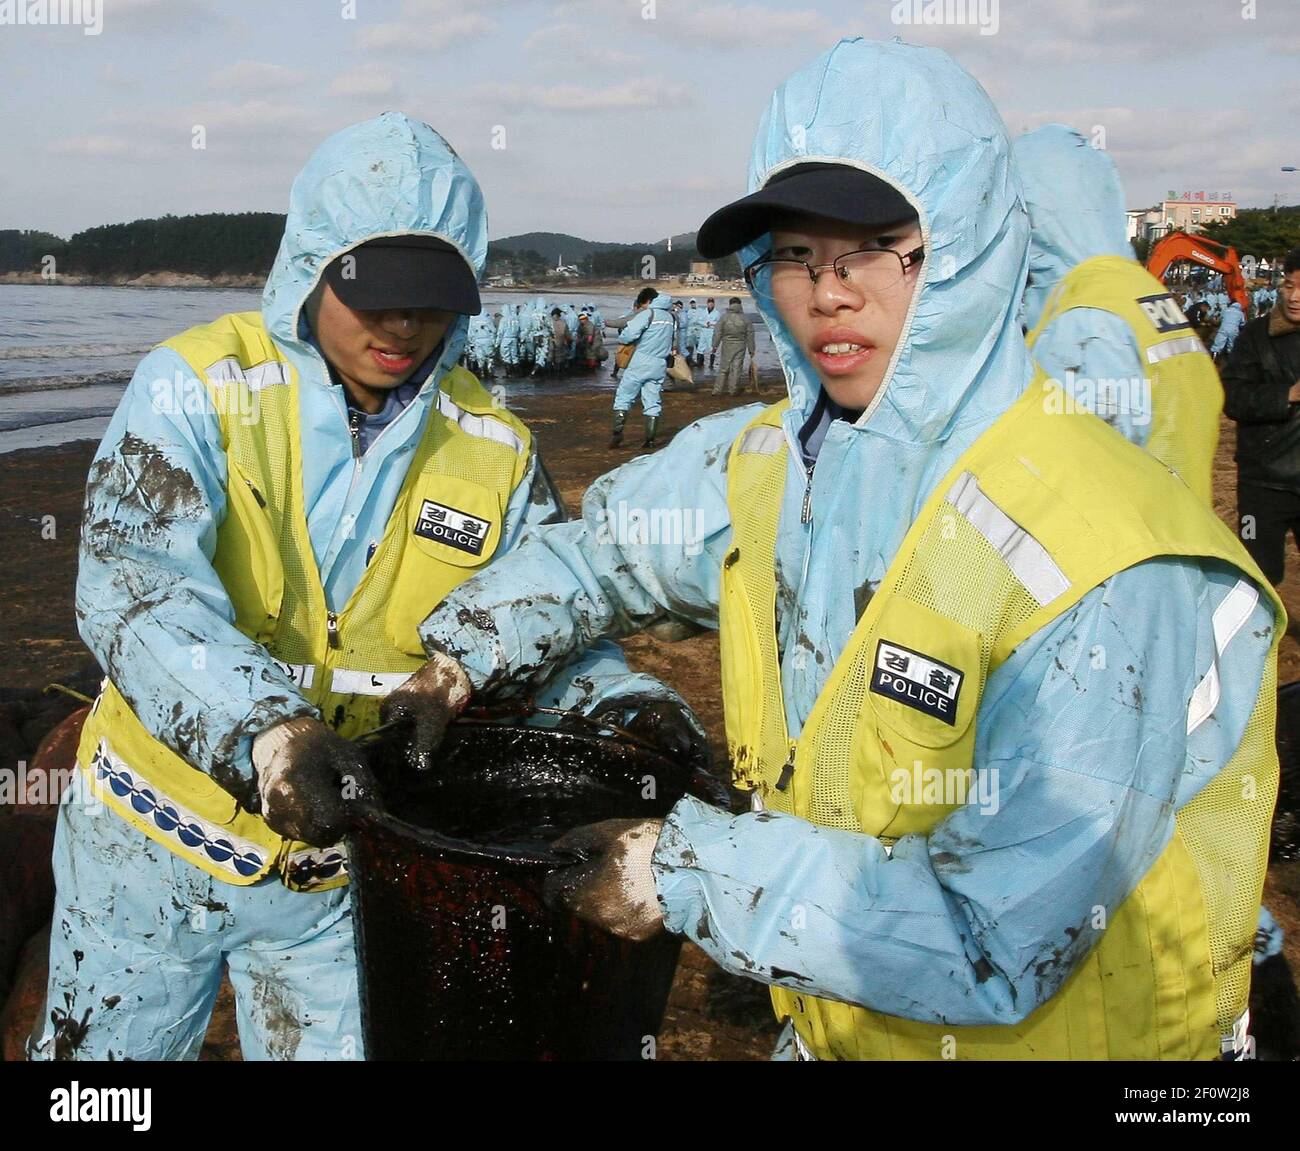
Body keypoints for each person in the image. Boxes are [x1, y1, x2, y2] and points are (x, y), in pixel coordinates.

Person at [409, 39, 1283, 1062]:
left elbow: (996, 934)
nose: (827, 292)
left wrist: (685, 872)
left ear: (967, 247)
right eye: (792, 253)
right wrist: (460, 652)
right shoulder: (775, 462)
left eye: (873, 247)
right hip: (841, 1023)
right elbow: (605, 551)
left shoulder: (1100, 558)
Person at [29, 112, 702, 1062]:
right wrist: (263, 728)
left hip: (340, 878)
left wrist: (627, 704)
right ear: (311, 265)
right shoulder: (196, 387)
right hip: (143, 847)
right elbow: (133, 588)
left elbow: (542, 628)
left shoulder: (494, 446)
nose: (402, 324)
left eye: (428, 300)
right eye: (375, 293)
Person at [1015, 125, 1222, 504]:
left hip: (1120, 549)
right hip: (1177, 529)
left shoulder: (1085, 325)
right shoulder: (1140, 292)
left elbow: (1069, 486)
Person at [1222, 248, 1300, 587]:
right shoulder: (1254, 337)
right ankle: (1259, 639)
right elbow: (1232, 397)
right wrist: (1287, 395)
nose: (1295, 297)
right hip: (1262, 483)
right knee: (1257, 576)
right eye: (1288, 285)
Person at [611, 286, 673, 449]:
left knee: (624, 396)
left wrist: (623, 339)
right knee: (652, 401)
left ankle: (617, 433)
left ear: (648, 301)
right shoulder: (670, 317)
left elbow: (629, 334)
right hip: (659, 364)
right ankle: (650, 440)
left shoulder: (648, 314)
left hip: (640, 362)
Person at [711, 297, 754, 396]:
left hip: (727, 345)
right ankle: (733, 390)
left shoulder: (724, 318)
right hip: (740, 345)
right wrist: (752, 350)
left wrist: (714, 345)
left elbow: (718, 332)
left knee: (723, 368)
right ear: (740, 304)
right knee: (736, 368)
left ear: (730, 304)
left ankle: (717, 390)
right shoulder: (745, 319)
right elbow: (750, 335)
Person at [700, 297, 721, 371]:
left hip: (712, 332)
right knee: (700, 348)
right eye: (709, 302)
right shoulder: (703, 311)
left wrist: (711, 324)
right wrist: (705, 324)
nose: (710, 304)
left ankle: (711, 365)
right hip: (703, 331)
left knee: (712, 348)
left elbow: (719, 323)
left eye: (712, 303)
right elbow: (699, 321)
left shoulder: (717, 313)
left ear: (714, 304)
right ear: (707, 303)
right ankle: (700, 364)